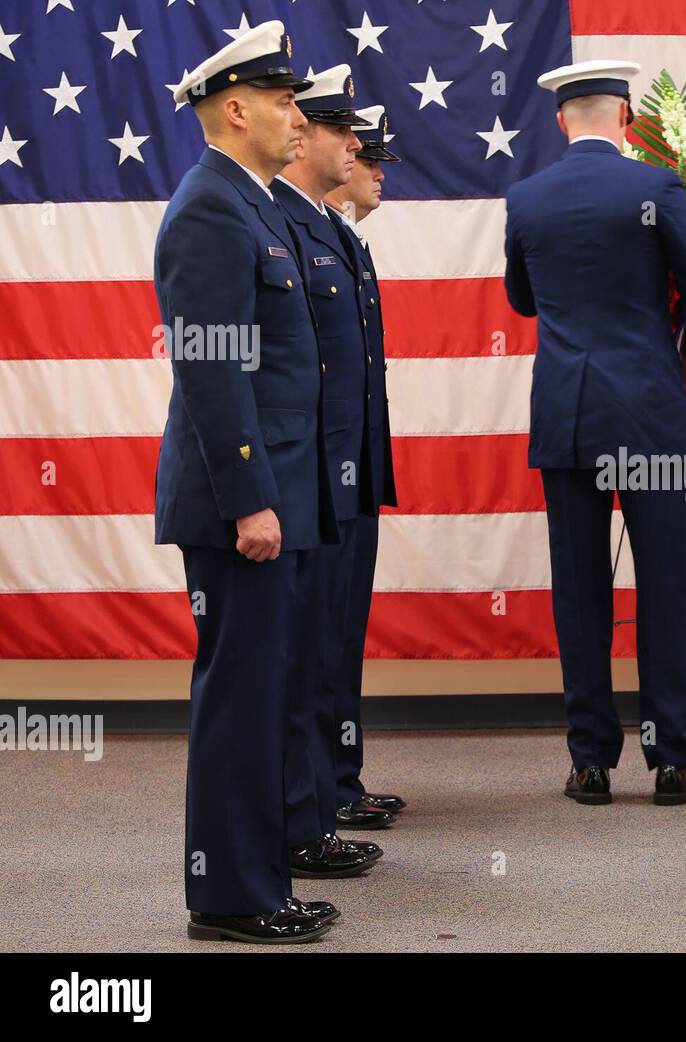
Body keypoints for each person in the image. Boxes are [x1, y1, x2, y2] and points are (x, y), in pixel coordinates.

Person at [155, 20, 339, 943]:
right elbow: (210, 367)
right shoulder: (209, 206)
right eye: (281, 100)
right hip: (245, 502)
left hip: (281, 494)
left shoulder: (255, 202)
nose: (296, 116)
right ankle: (230, 897)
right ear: (235, 108)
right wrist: (250, 499)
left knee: (268, 695)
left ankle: (262, 882)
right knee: (239, 701)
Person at [503, 60, 686, 805]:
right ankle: (670, 758)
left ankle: (591, 759)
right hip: (651, 417)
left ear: (562, 120)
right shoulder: (656, 188)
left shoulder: (527, 198)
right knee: (663, 584)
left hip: (567, 416)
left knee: (579, 589)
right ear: (627, 117)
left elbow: (523, 300)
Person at [271, 66, 393, 882]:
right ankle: (311, 811)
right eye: (339, 129)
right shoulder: (277, 222)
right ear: (301, 136)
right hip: (312, 477)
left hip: (344, 473)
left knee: (334, 644)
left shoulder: (332, 231)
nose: (355, 146)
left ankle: (326, 796)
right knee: (308, 655)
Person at [322, 105, 404, 829]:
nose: (376, 169)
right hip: (323, 478)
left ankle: (341, 780)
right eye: (368, 155)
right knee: (323, 638)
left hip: (354, 473)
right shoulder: (315, 236)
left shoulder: (346, 244)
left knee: (344, 633)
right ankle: (329, 790)